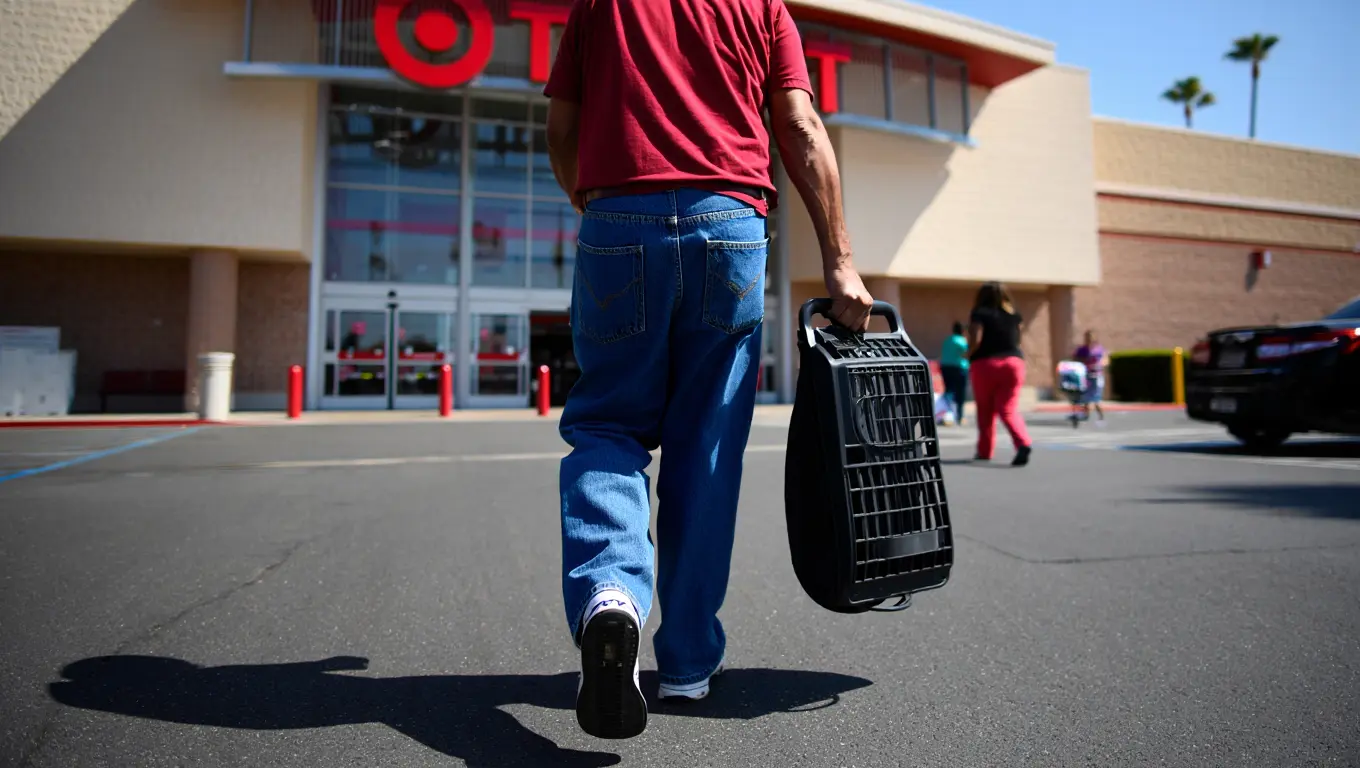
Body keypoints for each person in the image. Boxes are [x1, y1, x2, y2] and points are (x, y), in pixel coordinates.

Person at [543, 0, 874, 740]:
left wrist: (590, 200)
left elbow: (561, 129)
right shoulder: (762, 7)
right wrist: (840, 261)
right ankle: (688, 662)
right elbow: (798, 126)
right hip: (729, 219)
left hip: (618, 215)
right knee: (708, 446)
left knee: (606, 427)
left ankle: (609, 597)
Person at [966, 282, 1033, 466]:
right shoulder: (1014, 315)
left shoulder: (979, 314)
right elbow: (1018, 340)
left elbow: (976, 339)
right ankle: (1022, 442)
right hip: (1013, 363)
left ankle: (985, 450)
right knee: (1008, 408)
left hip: (985, 364)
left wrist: (969, 354)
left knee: (985, 410)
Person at [1073, 330, 1108, 424]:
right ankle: (1086, 415)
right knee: (1086, 397)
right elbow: (1075, 358)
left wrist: (1100, 364)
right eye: (1087, 337)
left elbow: (1106, 360)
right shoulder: (1082, 349)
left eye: (1090, 337)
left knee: (1096, 398)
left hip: (1097, 376)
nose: (1089, 339)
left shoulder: (1099, 349)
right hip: (1086, 376)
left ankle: (1101, 417)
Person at [938, 322, 969, 426]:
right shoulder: (962, 341)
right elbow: (967, 353)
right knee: (960, 393)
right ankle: (959, 416)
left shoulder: (948, 340)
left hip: (945, 367)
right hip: (958, 368)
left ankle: (946, 415)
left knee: (948, 391)